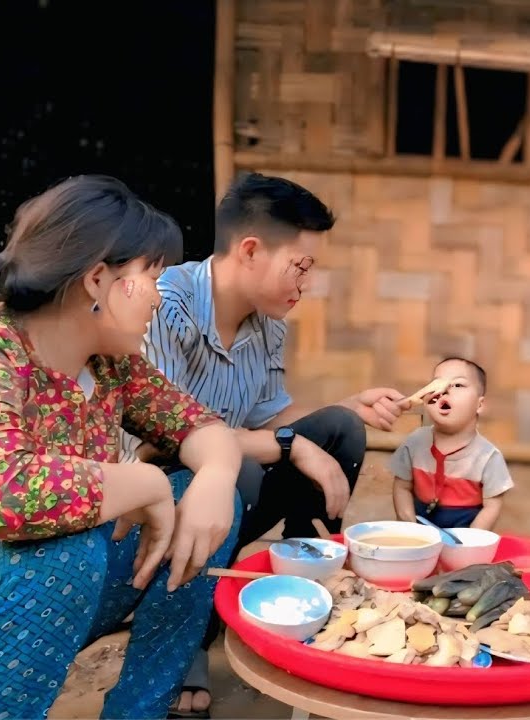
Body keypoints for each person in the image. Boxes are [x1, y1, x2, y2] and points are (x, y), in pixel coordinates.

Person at [0, 175, 244, 720]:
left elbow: (204, 428)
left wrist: (218, 481)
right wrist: (142, 482)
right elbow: (6, 496)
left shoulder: (110, 366)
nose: (159, 293)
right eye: (151, 275)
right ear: (98, 280)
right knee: (64, 547)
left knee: (197, 501)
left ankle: (139, 711)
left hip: (42, 595)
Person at [130, 172, 410, 716]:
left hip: (238, 486)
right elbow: (165, 435)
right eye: (300, 267)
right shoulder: (167, 306)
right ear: (251, 250)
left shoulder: (269, 325)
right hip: (163, 492)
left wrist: (348, 407)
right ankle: (189, 631)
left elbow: (271, 416)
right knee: (244, 467)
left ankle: (306, 588)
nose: (304, 284)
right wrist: (290, 446)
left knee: (339, 430)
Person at [390, 357, 513, 530]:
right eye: (437, 384)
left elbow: (492, 506)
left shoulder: (488, 456)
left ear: (480, 405)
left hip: (464, 531)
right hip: (420, 529)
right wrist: (410, 528)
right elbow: (401, 487)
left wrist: (470, 541)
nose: (443, 390)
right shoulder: (415, 442)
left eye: (457, 385)